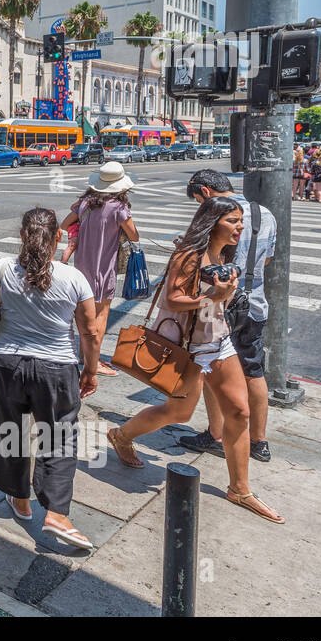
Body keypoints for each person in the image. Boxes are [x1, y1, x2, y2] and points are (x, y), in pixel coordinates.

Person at [107, 197, 284, 524]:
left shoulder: (224, 253)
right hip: (189, 347)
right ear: (213, 222)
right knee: (178, 412)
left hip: (218, 338)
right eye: (233, 220)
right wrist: (212, 297)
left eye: (240, 220)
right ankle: (121, 436)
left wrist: (225, 298)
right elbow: (172, 297)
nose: (240, 226)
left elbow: (217, 299)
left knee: (239, 411)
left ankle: (240, 489)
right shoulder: (189, 254)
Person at [0, 207, 101, 549]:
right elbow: (89, 331)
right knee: (58, 436)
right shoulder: (74, 278)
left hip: (7, 363)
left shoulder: (2, 268)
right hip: (56, 369)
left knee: (10, 430)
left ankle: (20, 499)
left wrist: (7, 298)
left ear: (22, 236)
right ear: (58, 237)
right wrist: (90, 369)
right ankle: (56, 512)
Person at [179, 170, 276, 463]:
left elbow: (204, 258)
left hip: (221, 306)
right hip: (254, 304)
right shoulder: (264, 213)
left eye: (198, 199)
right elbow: (268, 258)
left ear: (206, 192)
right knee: (254, 372)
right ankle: (259, 441)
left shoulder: (215, 215)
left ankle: (215, 435)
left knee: (212, 369)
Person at [59, 162, 138, 376]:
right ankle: (93, 362)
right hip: (104, 267)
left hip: (82, 266)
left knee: (84, 313)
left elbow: (65, 224)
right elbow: (134, 236)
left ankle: (85, 355)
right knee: (101, 314)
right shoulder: (119, 208)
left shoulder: (84, 203)